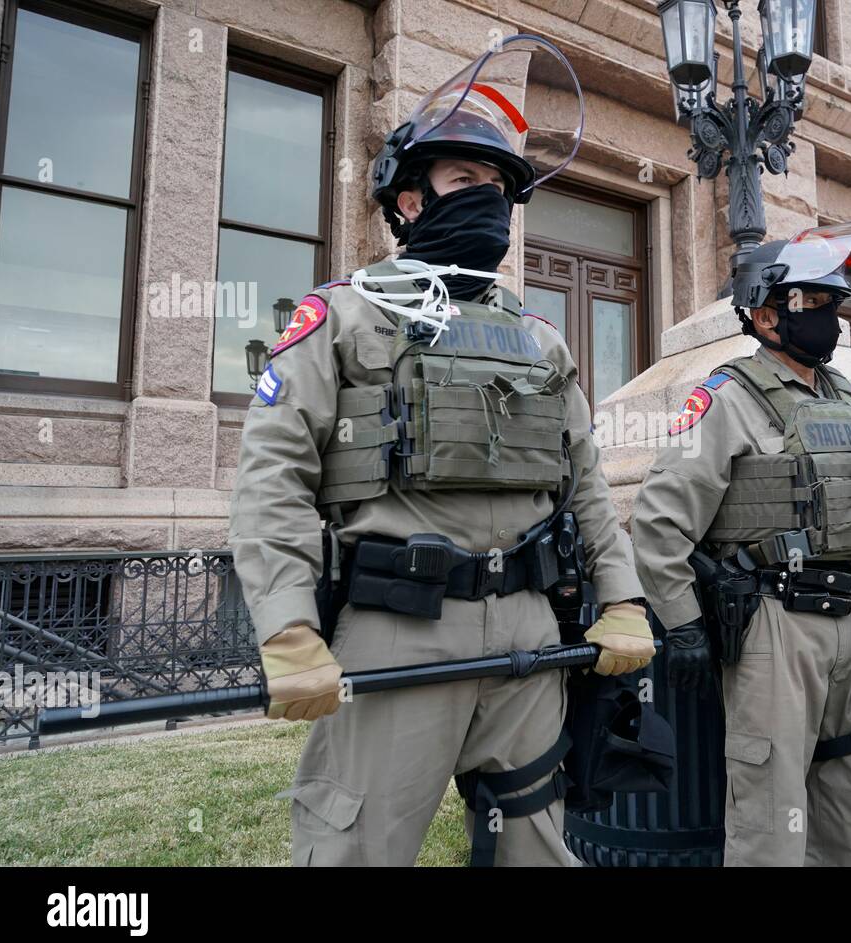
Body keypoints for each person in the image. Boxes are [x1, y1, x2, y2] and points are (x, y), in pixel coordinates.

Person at [228, 36, 654, 867]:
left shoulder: (537, 339)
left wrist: (623, 596)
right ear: (412, 200)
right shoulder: (341, 317)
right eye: (467, 182)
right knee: (355, 847)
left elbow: (587, 488)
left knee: (534, 845)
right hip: (399, 628)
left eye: (500, 189)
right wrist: (285, 626)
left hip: (531, 632)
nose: (489, 202)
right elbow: (273, 477)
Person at [631, 219, 851, 866]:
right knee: (770, 808)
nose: (830, 318)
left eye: (831, 303)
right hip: (772, 625)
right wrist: (682, 627)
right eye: (810, 304)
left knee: (848, 797)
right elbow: (658, 523)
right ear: (764, 317)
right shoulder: (728, 398)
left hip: (849, 623)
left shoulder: (846, 396)